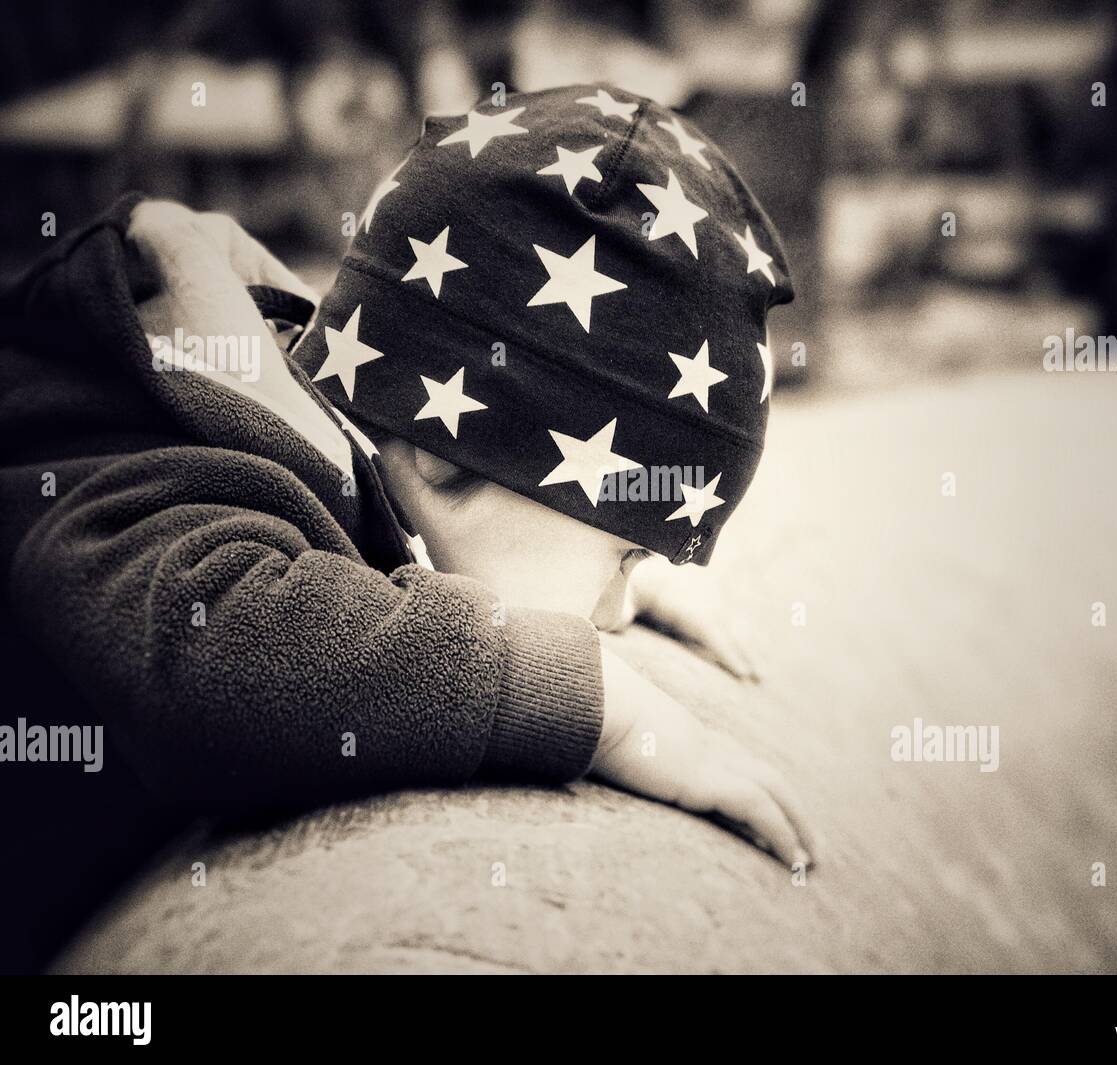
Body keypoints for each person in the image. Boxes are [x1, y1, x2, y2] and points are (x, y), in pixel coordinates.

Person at [0, 83, 817, 972]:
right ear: (451, 456)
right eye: (623, 549)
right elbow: (217, 661)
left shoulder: (330, 441)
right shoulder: (173, 451)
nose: (613, 610)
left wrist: (626, 565)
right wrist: (594, 705)